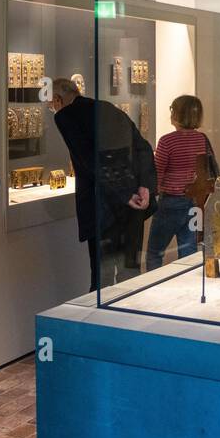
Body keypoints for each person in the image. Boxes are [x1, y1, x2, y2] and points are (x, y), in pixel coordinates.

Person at [50, 77, 156, 292]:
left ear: (57, 100)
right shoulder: (106, 107)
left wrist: (124, 193)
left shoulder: (65, 116)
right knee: (130, 276)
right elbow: (143, 147)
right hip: (133, 202)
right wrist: (145, 186)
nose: (51, 107)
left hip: (103, 205)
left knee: (101, 281)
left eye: (51, 103)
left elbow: (88, 159)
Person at [146, 95, 214, 270]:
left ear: (176, 114)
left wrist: (152, 192)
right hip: (193, 200)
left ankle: (153, 288)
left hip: (170, 201)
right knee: (189, 251)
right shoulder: (201, 139)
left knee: (155, 251)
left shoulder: (167, 141)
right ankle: (188, 288)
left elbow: (157, 172)